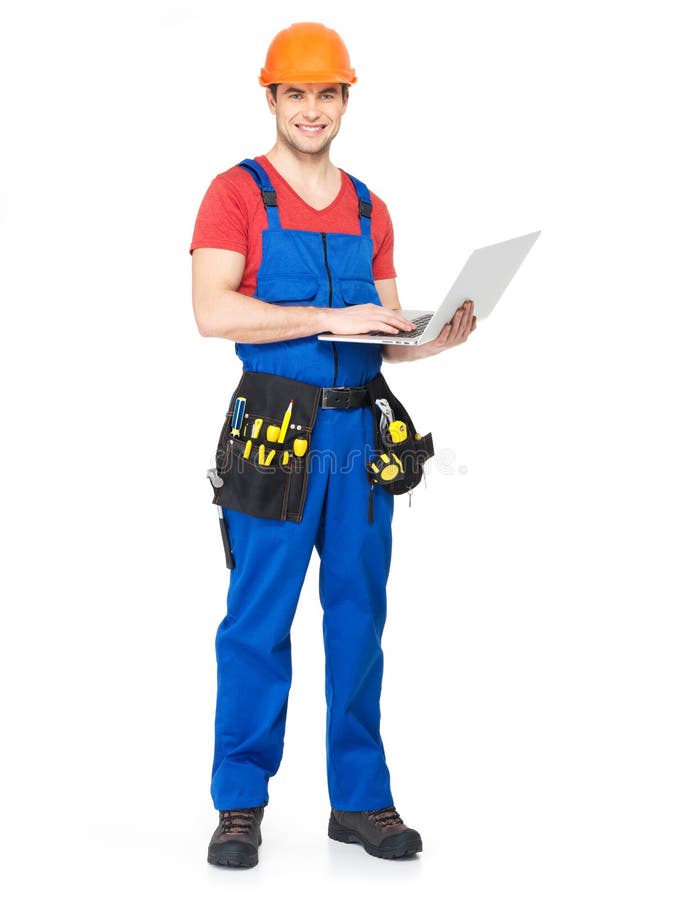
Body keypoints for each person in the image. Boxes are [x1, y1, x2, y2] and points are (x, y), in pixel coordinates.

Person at [190, 22, 476, 868]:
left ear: (345, 98)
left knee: (359, 617)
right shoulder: (236, 195)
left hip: (356, 433)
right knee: (256, 623)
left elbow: (379, 331)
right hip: (274, 433)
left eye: (327, 93)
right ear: (271, 97)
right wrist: (328, 318)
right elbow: (212, 312)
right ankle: (239, 802)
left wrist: (429, 341)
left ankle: (360, 802)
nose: (312, 109)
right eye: (296, 93)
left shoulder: (367, 206)